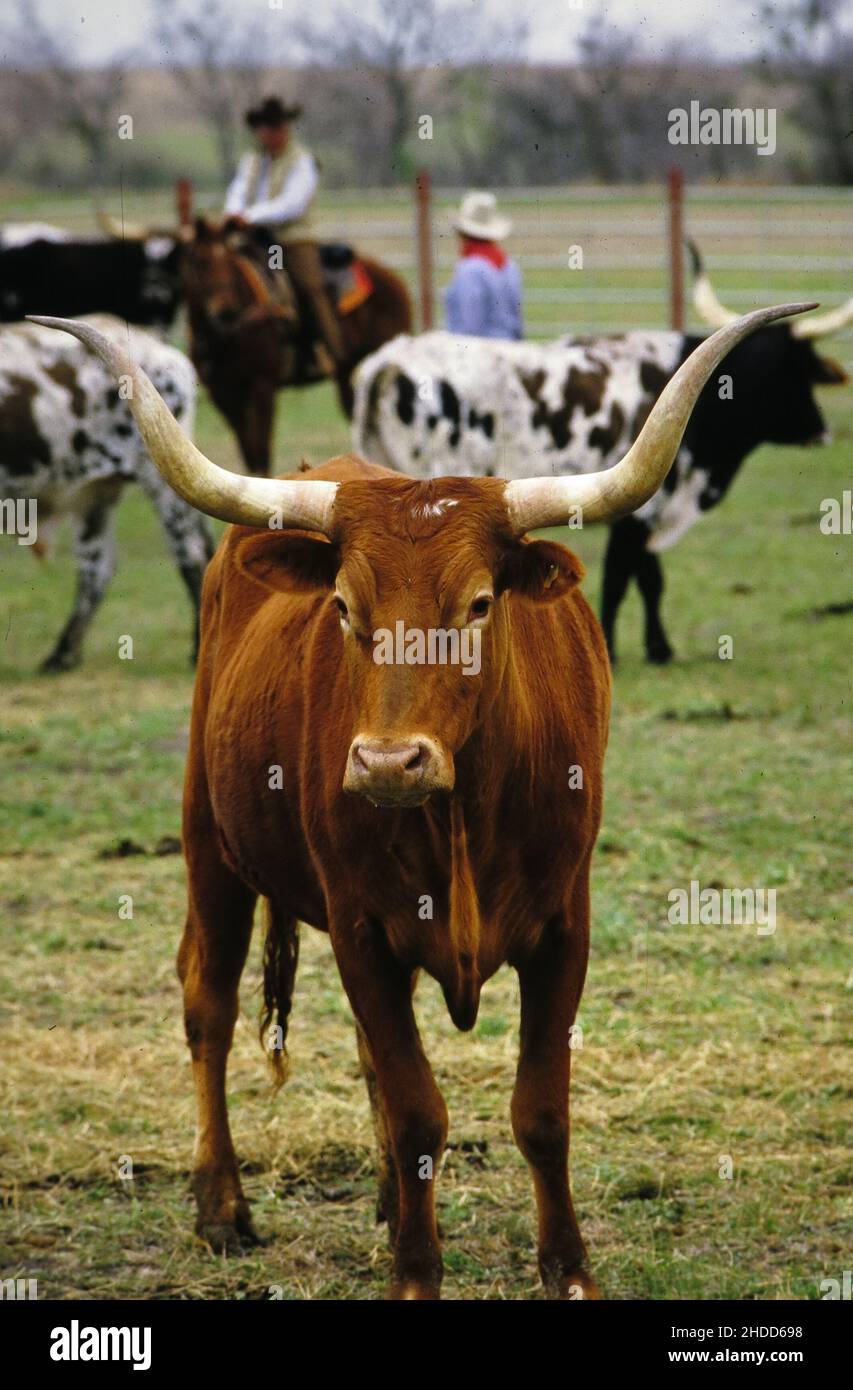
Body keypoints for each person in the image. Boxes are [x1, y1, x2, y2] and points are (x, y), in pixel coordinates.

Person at [224, 95, 345, 374]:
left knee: (309, 287)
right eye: (267, 127)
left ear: (286, 128)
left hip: (291, 239)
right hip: (254, 238)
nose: (273, 133)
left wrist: (248, 216)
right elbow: (238, 190)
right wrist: (233, 212)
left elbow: (292, 204)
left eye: (278, 126)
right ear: (259, 130)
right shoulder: (252, 160)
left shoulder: (303, 161)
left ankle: (332, 352)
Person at [444, 191, 523, 340]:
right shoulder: (509, 266)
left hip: (481, 356)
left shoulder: (469, 270)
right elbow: (517, 322)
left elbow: (469, 327)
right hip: (509, 350)